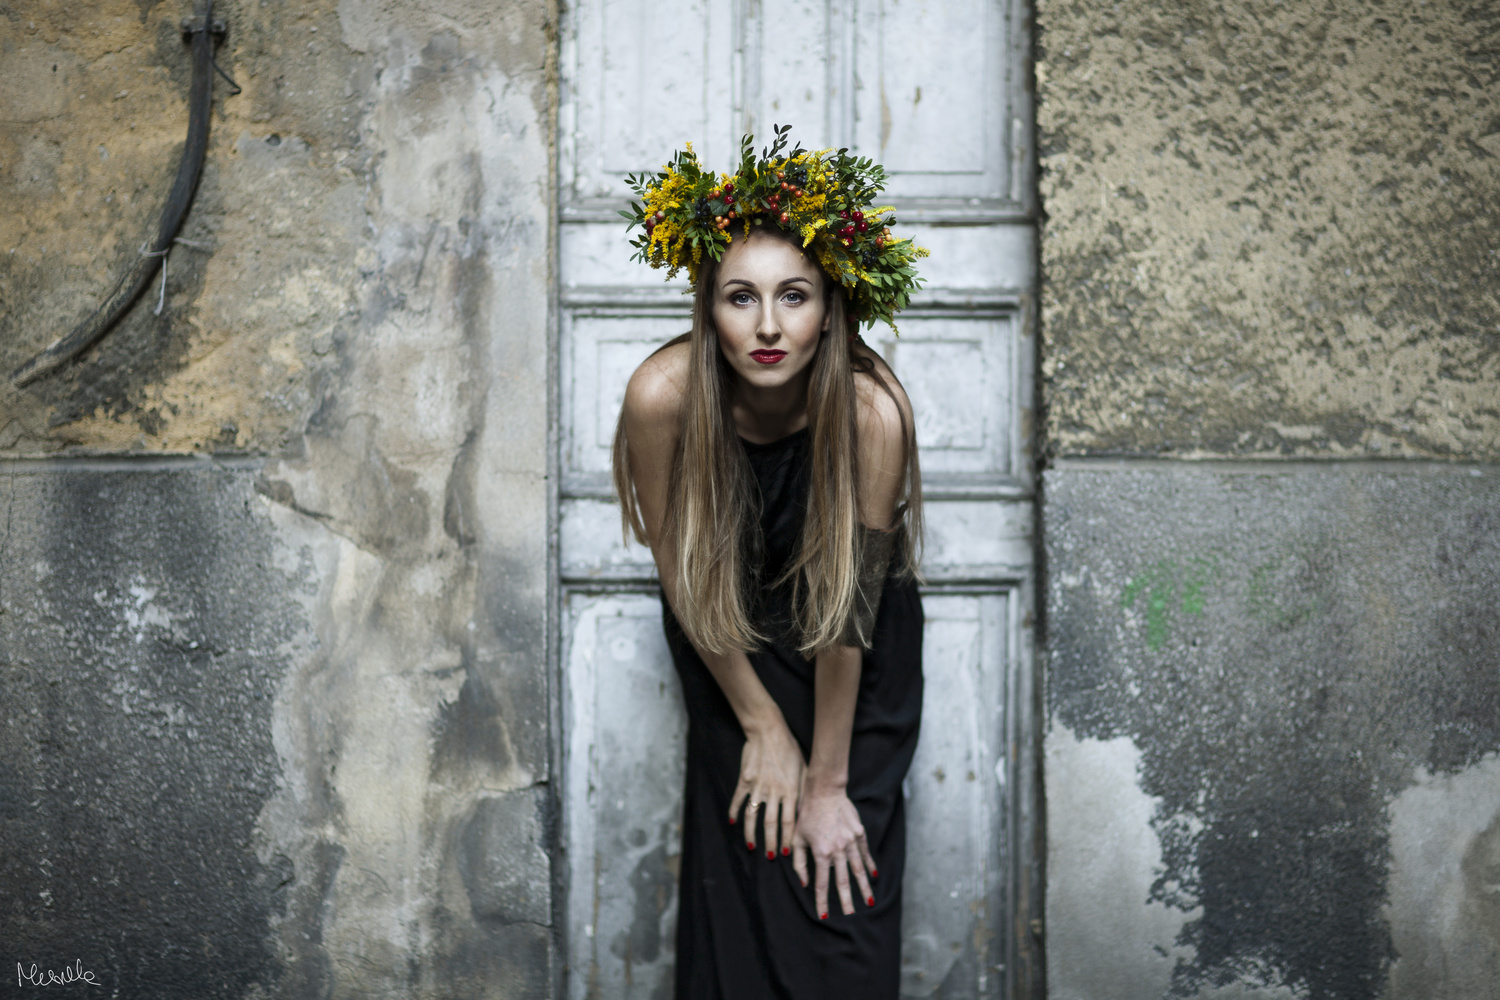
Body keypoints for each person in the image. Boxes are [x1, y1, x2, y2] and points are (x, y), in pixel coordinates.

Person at [612, 128, 929, 999]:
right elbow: (682, 574)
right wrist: (760, 725)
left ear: (831, 307)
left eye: (793, 296)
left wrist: (826, 778)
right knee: (746, 890)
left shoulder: (869, 411)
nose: (765, 326)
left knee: (836, 887)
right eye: (738, 298)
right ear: (705, 307)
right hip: (729, 641)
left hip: (852, 661)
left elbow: (844, 616)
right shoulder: (663, 398)